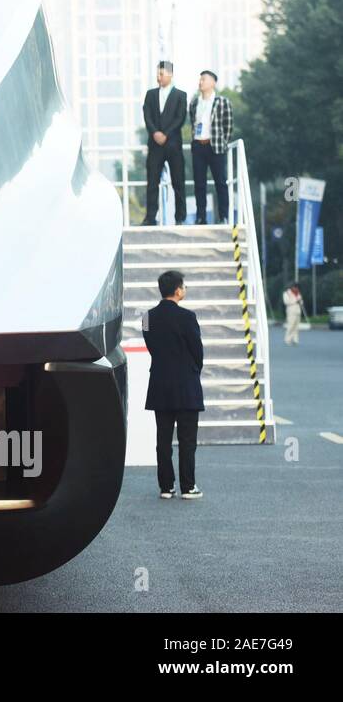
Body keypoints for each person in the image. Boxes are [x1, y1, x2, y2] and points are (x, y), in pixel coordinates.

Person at [143, 270, 205, 500]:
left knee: (163, 439)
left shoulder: (147, 317)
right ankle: (188, 487)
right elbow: (197, 351)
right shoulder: (188, 317)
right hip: (186, 385)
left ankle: (166, 487)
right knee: (187, 440)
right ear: (178, 290)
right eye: (184, 286)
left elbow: (151, 346)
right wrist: (192, 369)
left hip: (160, 383)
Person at [142, 61, 188, 226]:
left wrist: (165, 135)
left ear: (170, 74)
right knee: (152, 181)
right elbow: (147, 116)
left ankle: (180, 217)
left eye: (161, 74)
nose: (158, 77)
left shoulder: (181, 95)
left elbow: (180, 118)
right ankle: (150, 217)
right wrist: (155, 133)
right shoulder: (150, 94)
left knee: (178, 181)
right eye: (157, 73)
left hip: (173, 145)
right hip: (154, 145)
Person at [188, 70, 233, 224]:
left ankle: (223, 216)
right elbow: (192, 122)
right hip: (198, 146)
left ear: (213, 83)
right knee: (199, 183)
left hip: (216, 147)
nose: (201, 82)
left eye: (204, 79)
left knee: (220, 182)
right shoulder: (194, 102)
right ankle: (201, 217)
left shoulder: (222, 102)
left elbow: (228, 126)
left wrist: (223, 142)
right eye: (200, 79)